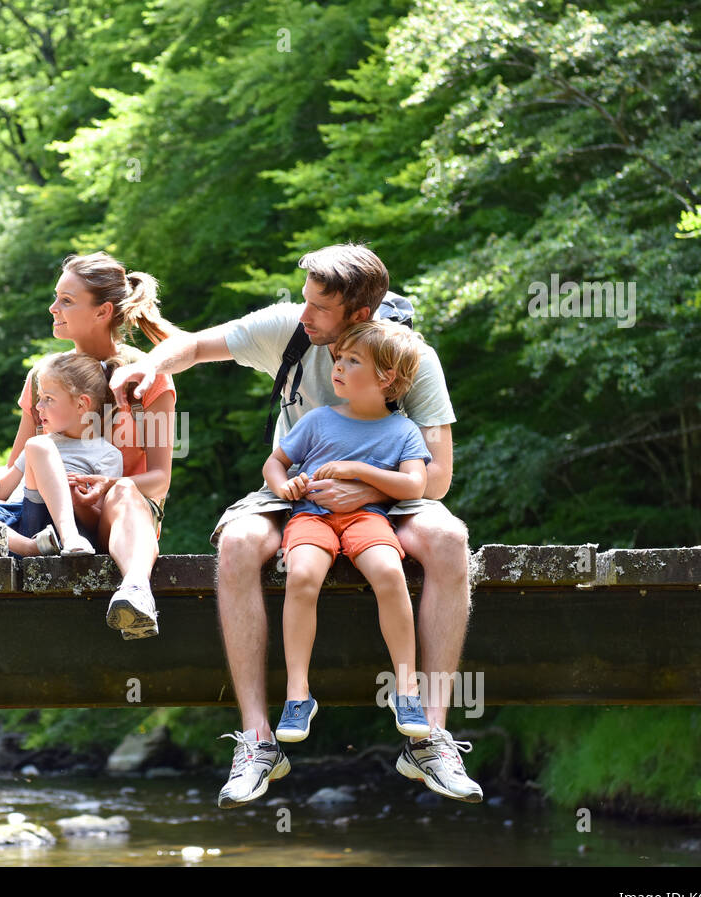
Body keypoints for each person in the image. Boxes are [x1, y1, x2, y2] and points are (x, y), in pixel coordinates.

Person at [109, 242, 482, 806]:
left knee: (451, 538)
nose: (303, 315)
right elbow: (193, 347)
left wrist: (369, 483)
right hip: (295, 492)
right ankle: (258, 741)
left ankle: (429, 737)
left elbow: (439, 477)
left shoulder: (410, 359)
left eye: (319, 309)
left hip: (389, 496)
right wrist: (149, 365)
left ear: (360, 315)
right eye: (304, 301)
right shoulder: (291, 328)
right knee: (236, 541)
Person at [0, 253, 180, 639]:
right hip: (41, 517)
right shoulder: (43, 376)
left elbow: (160, 480)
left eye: (67, 300)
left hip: (112, 516)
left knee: (128, 490)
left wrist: (106, 486)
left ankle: (135, 589)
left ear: (103, 312)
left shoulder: (148, 377)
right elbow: (18, 466)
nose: (53, 308)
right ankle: (2, 543)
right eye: (55, 298)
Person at [264, 321, 432, 745]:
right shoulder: (319, 420)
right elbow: (274, 463)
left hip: (367, 518)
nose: (337, 367)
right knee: (301, 576)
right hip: (311, 516)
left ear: (386, 377)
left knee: (390, 574)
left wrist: (357, 470)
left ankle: (407, 691)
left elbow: (415, 485)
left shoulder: (403, 431)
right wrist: (285, 486)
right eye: (338, 358)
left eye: (351, 361)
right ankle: (297, 695)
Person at [0, 352, 123, 563]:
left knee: (37, 444)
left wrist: (80, 502)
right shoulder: (43, 442)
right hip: (17, 524)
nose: (39, 407)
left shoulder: (106, 454)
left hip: (55, 528)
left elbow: (99, 522)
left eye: (48, 399)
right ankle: (21, 547)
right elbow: (0, 490)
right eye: (39, 398)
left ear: (81, 405)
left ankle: (69, 537)